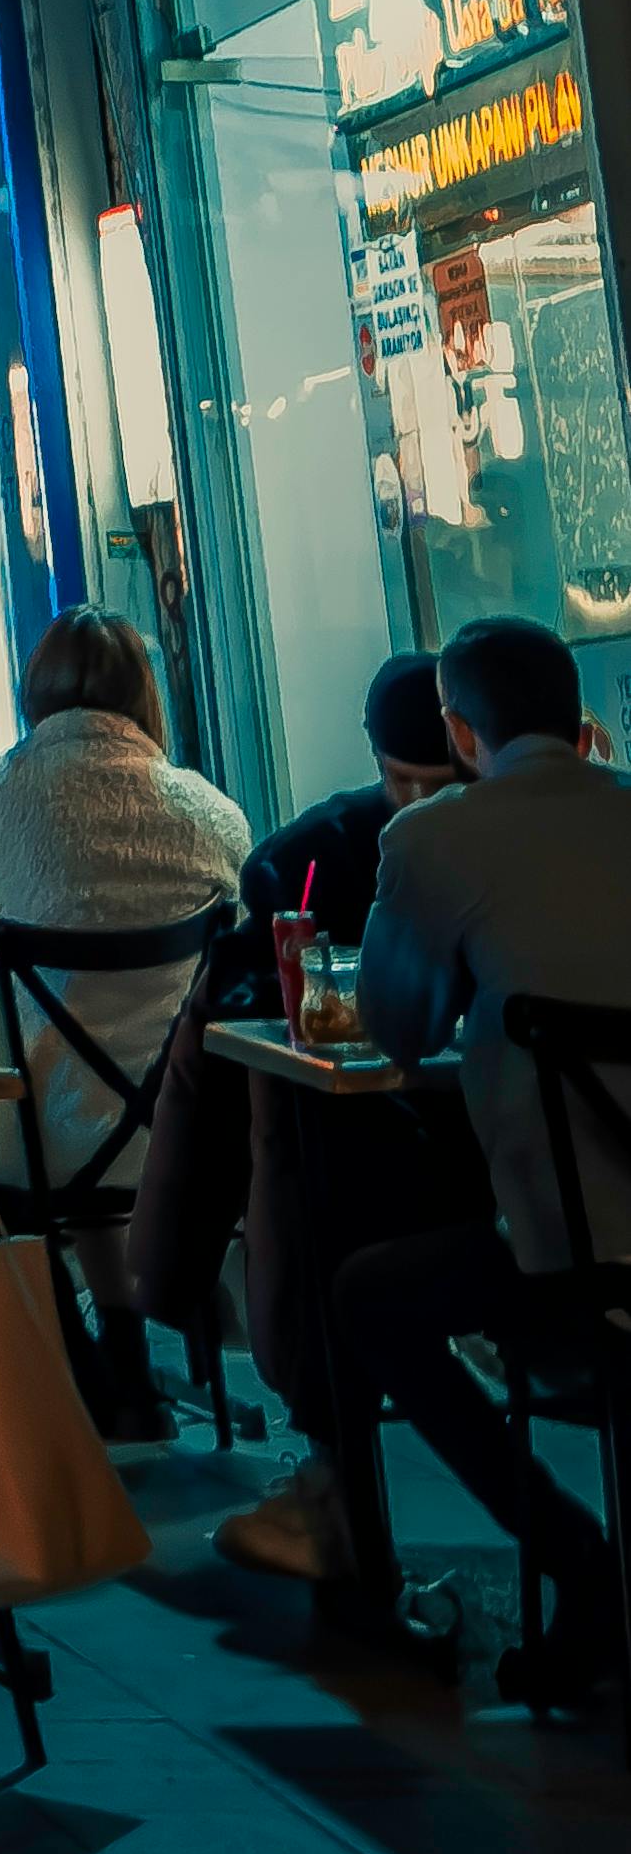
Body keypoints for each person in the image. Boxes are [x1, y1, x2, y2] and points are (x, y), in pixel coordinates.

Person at [323, 613, 631, 1691]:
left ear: (458, 732)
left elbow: (394, 1030)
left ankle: (578, 1561)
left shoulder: (433, 837)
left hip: (570, 1260)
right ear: (581, 724)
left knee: (367, 1295)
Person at [0, 605, 249, 1401]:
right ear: (143, 694)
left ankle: (76, 1362)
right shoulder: (211, 813)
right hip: (181, 1138)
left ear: (34, 691)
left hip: (35, 1136)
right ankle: (126, 1357)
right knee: (91, 1083)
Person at [248, 654, 456, 949]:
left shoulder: (514, 838)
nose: (419, 800)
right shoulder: (320, 848)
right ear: (378, 761)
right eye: (402, 779)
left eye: (443, 785)